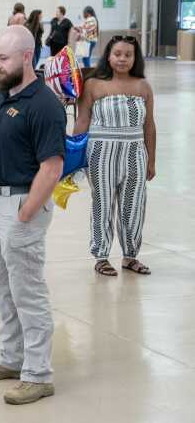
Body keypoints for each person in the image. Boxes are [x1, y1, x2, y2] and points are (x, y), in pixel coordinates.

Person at [0, 25, 66, 406]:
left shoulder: (43, 104)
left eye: (3, 58)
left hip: (20, 206)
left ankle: (39, 374)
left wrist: (26, 211)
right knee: (1, 288)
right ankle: (12, 359)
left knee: (28, 292)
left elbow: (52, 167)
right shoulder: (0, 97)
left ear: (27, 56)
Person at [74, 35, 156, 277]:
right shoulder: (93, 85)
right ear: (108, 56)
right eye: (117, 54)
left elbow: (149, 126)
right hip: (101, 154)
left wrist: (151, 159)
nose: (122, 59)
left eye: (128, 55)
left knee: (134, 204)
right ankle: (101, 256)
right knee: (103, 203)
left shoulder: (143, 86)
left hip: (135, 152)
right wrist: (75, 158)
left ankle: (130, 256)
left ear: (134, 58)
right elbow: (82, 120)